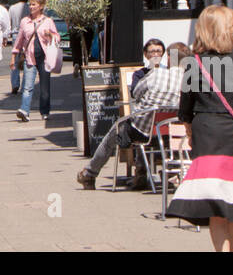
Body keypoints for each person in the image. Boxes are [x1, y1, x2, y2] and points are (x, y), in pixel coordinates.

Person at [165, 5, 233, 252]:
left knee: (214, 199)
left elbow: (185, 109)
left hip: (208, 131)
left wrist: (189, 132)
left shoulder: (194, 63)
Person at [77, 42, 190, 190]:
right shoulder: (187, 80)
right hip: (170, 133)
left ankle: (89, 173)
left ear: (169, 57)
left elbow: (136, 93)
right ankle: (144, 173)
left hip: (142, 131)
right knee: (148, 129)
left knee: (115, 133)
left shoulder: (156, 74)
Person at [11, 0, 60, 122]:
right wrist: (13, 56)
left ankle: (45, 111)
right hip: (29, 57)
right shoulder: (24, 21)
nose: (31, 7)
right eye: (30, 4)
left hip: (45, 59)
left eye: (34, 4)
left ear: (41, 6)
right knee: (27, 87)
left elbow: (57, 37)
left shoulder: (48, 21)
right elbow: (19, 40)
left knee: (44, 87)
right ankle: (24, 110)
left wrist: (50, 34)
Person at [7, 0, 31, 94]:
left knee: (15, 61)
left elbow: (9, 23)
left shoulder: (12, 8)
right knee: (27, 60)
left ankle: (15, 84)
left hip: (16, 35)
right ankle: (25, 85)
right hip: (28, 36)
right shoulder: (30, 8)